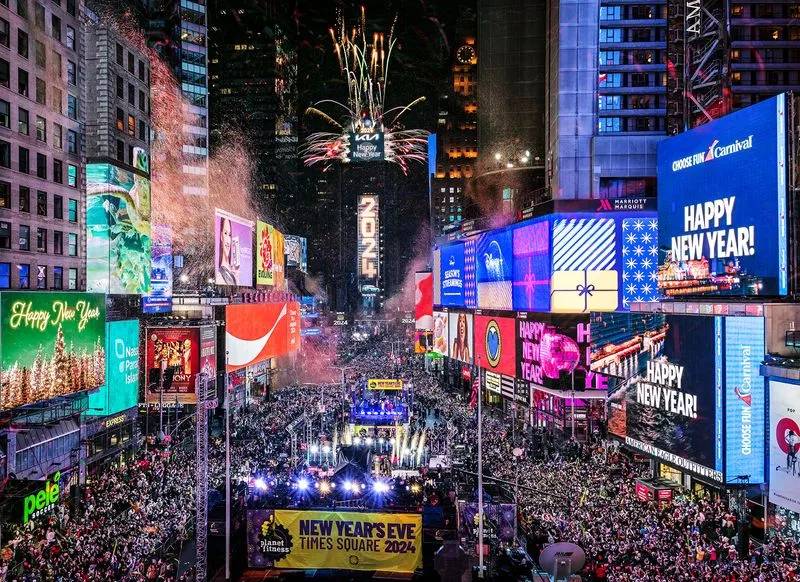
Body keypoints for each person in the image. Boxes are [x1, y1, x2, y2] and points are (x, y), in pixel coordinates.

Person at [217, 216, 238, 285]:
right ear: (221, 236)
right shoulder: (219, 273)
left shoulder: (233, 271)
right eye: (225, 233)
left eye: (230, 235)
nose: (228, 241)